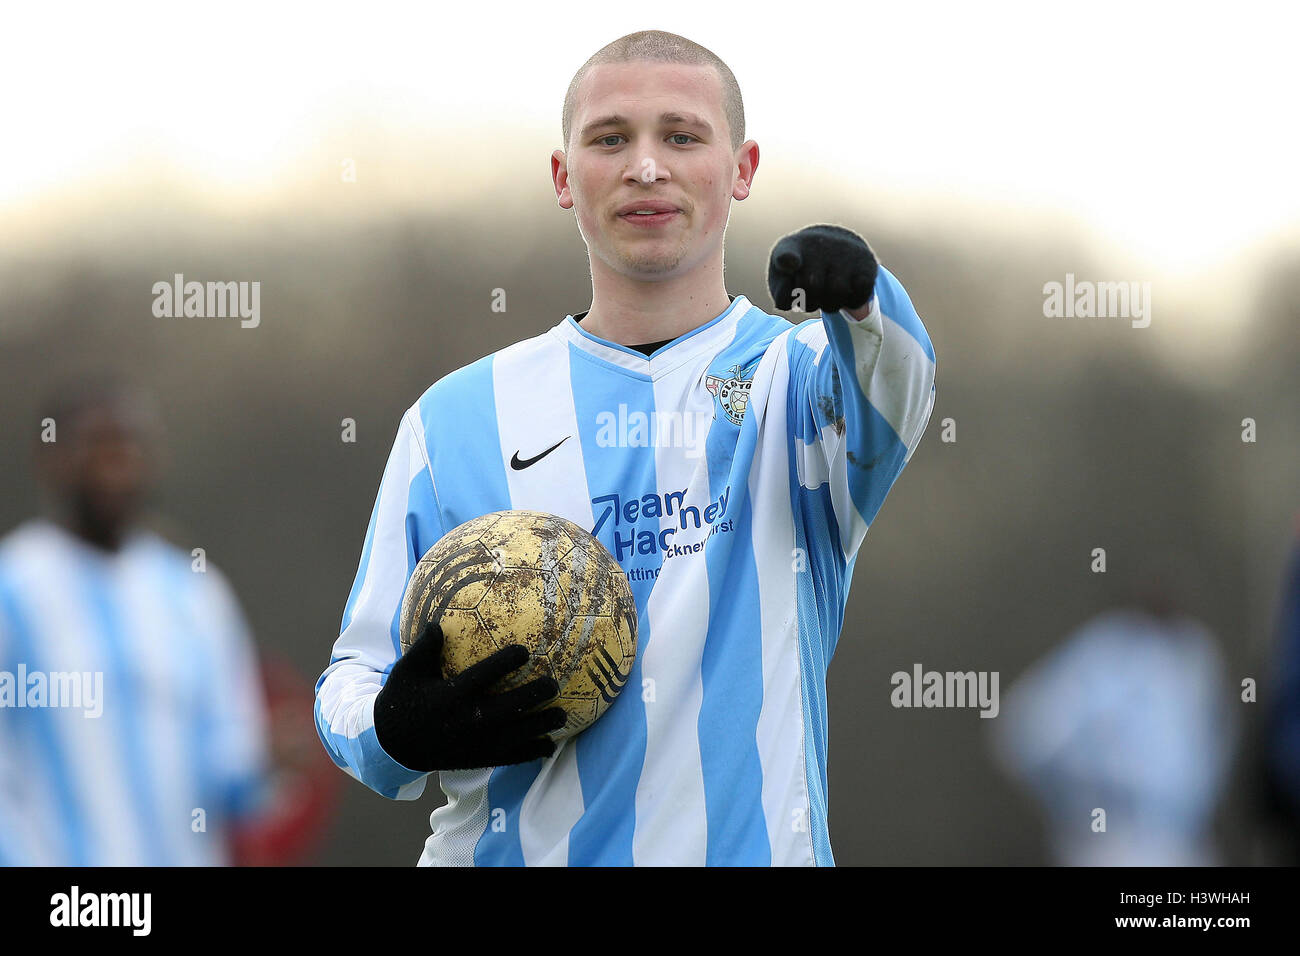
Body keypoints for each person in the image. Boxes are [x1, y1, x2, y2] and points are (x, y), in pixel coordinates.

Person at [315, 30, 937, 866]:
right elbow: (349, 686)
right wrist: (399, 724)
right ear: (564, 177)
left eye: (681, 136)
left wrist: (864, 297)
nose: (647, 166)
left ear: (743, 168)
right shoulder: (455, 416)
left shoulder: (799, 383)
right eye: (611, 139)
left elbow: (900, 391)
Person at [0, 379, 271, 865]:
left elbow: (230, 764)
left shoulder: (194, 591)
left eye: (128, 446)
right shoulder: (13, 589)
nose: (115, 465)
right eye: (97, 445)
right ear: (51, 459)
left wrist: (270, 766)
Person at [993, 589, 1235, 866]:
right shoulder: (1101, 654)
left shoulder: (1196, 653)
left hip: (1185, 848)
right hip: (1111, 847)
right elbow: (1027, 734)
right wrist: (1080, 801)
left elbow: (1215, 749)